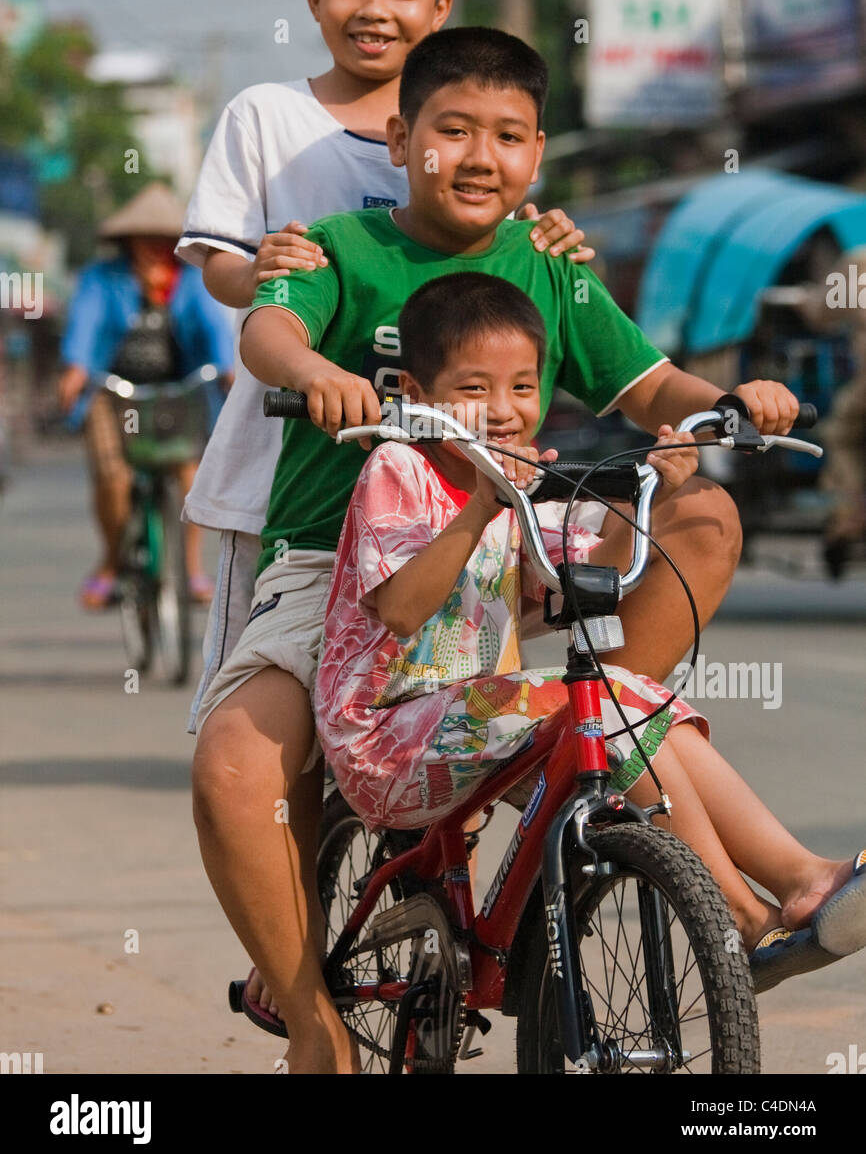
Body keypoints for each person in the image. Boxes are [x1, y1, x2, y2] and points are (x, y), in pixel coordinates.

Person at [191, 25, 804, 1073]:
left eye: (507, 135)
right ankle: (306, 1016)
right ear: (400, 136)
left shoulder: (550, 266)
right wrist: (315, 370)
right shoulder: (338, 247)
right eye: (453, 131)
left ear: (537, 152)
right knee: (234, 766)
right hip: (347, 569)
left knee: (698, 511)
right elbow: (266, 333)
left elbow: (648, 387)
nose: (479, 156)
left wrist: (727, 405)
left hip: (497, 561)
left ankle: (617, 785)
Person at [176, 0, 590, 1021]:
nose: (372, 7)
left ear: (440, 2)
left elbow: (511, 242)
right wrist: (277, 271)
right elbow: (214, 261)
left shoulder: (461, 122)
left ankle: (473, 888)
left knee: (447, 687)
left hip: (445, 485)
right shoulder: (270, 115)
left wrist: (546, 226)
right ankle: (291, 951)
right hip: (295, 480)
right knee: (285, 741)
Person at [316, 271, 866, 998]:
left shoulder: (517, 476)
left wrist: (649, 496)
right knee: (606, 705)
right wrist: (482, 506)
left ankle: (803, 880)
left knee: (626, 697)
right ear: (417, 397)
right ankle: (734, 910)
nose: (504, 411)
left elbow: (575, 586)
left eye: (521, 386)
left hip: (469, 720)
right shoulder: (401, 467)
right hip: (384, 737)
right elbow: (400, 610)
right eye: (474, 390)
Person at [57, 182, 234, 608]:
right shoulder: (103, 278)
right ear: (130, 241)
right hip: (111, 390)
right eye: (148, 238)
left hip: (177, 390)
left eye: (166, 238)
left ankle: (191, 570)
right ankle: (111, 561)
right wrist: (77, 369)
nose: (157, 247)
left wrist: (228, 370)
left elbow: (214, 329)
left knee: (190, 475)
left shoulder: (191, 280)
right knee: (114, 478)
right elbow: (85, 324)